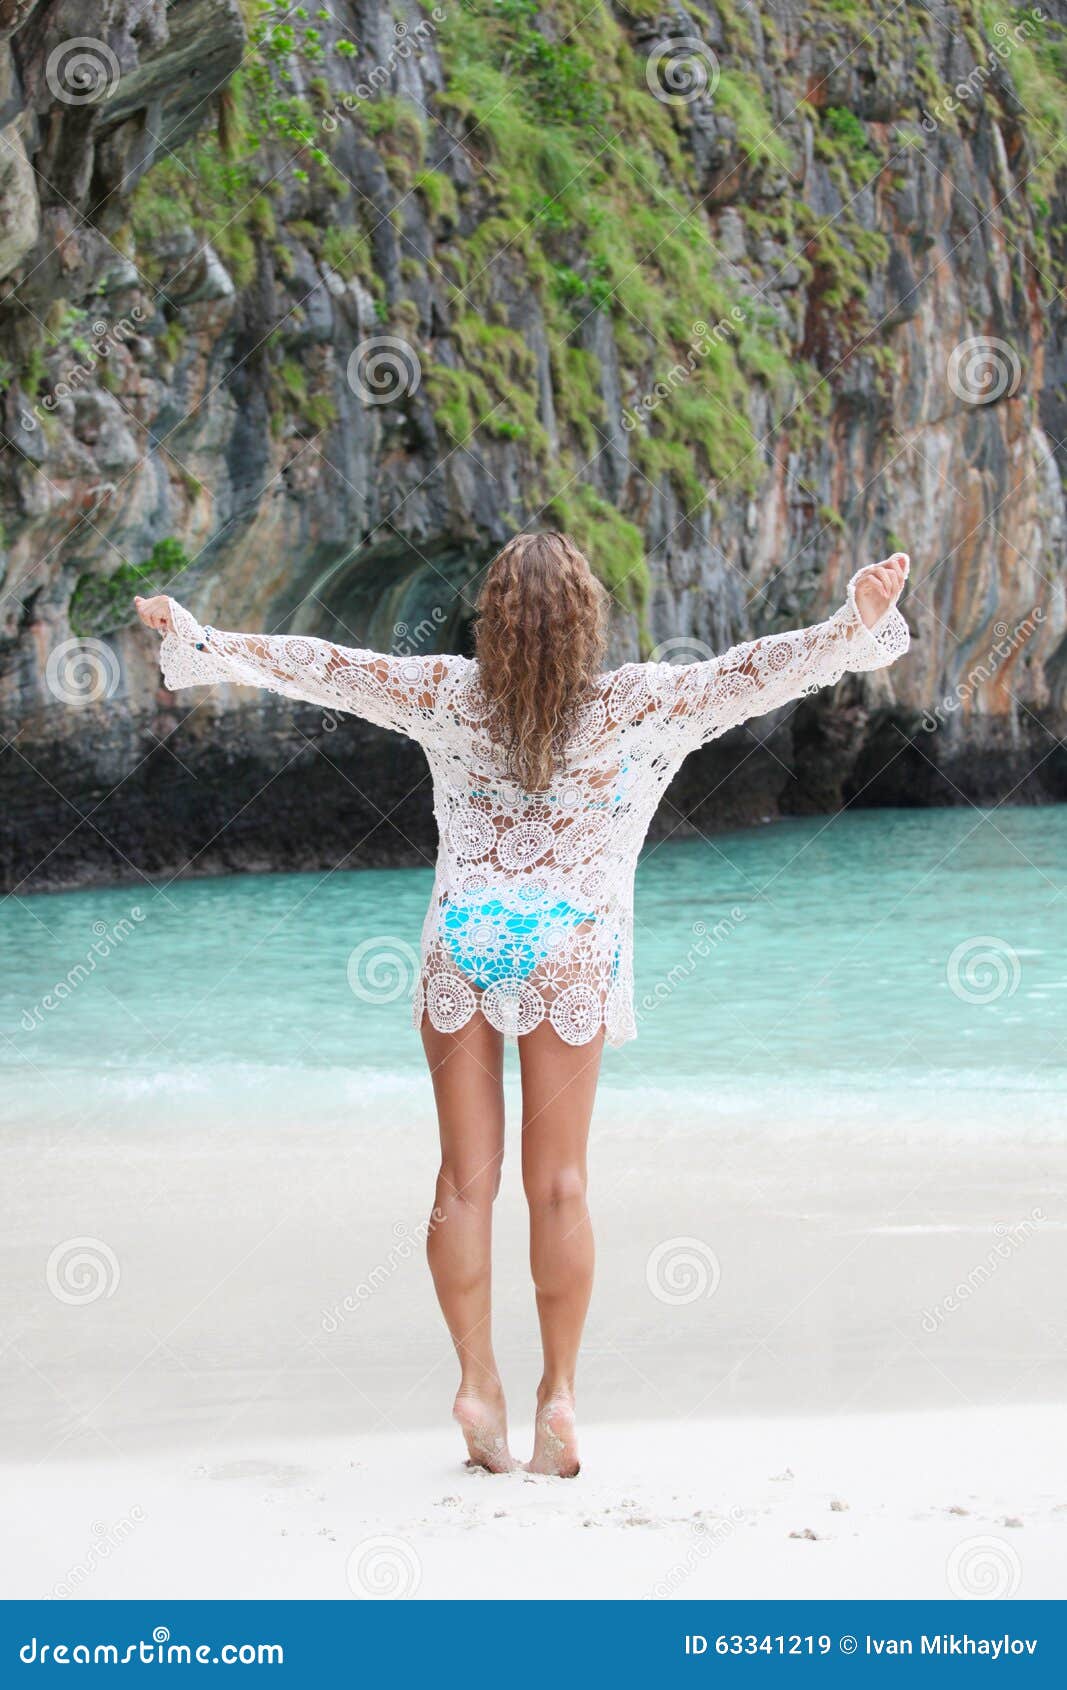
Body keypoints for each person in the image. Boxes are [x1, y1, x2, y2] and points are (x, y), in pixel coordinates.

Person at [135, 532, 909, 1476]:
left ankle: (475, 1383)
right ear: (586, 619)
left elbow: (326, 668)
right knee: (561, 1185)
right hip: (567, 949)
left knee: (465, 1180)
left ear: (489, 619)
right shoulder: (634, 700)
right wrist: (848, 626)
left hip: (464, 937)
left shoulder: (442, 692)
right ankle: (560, 1399)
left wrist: (200, 636)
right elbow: (749, 674)